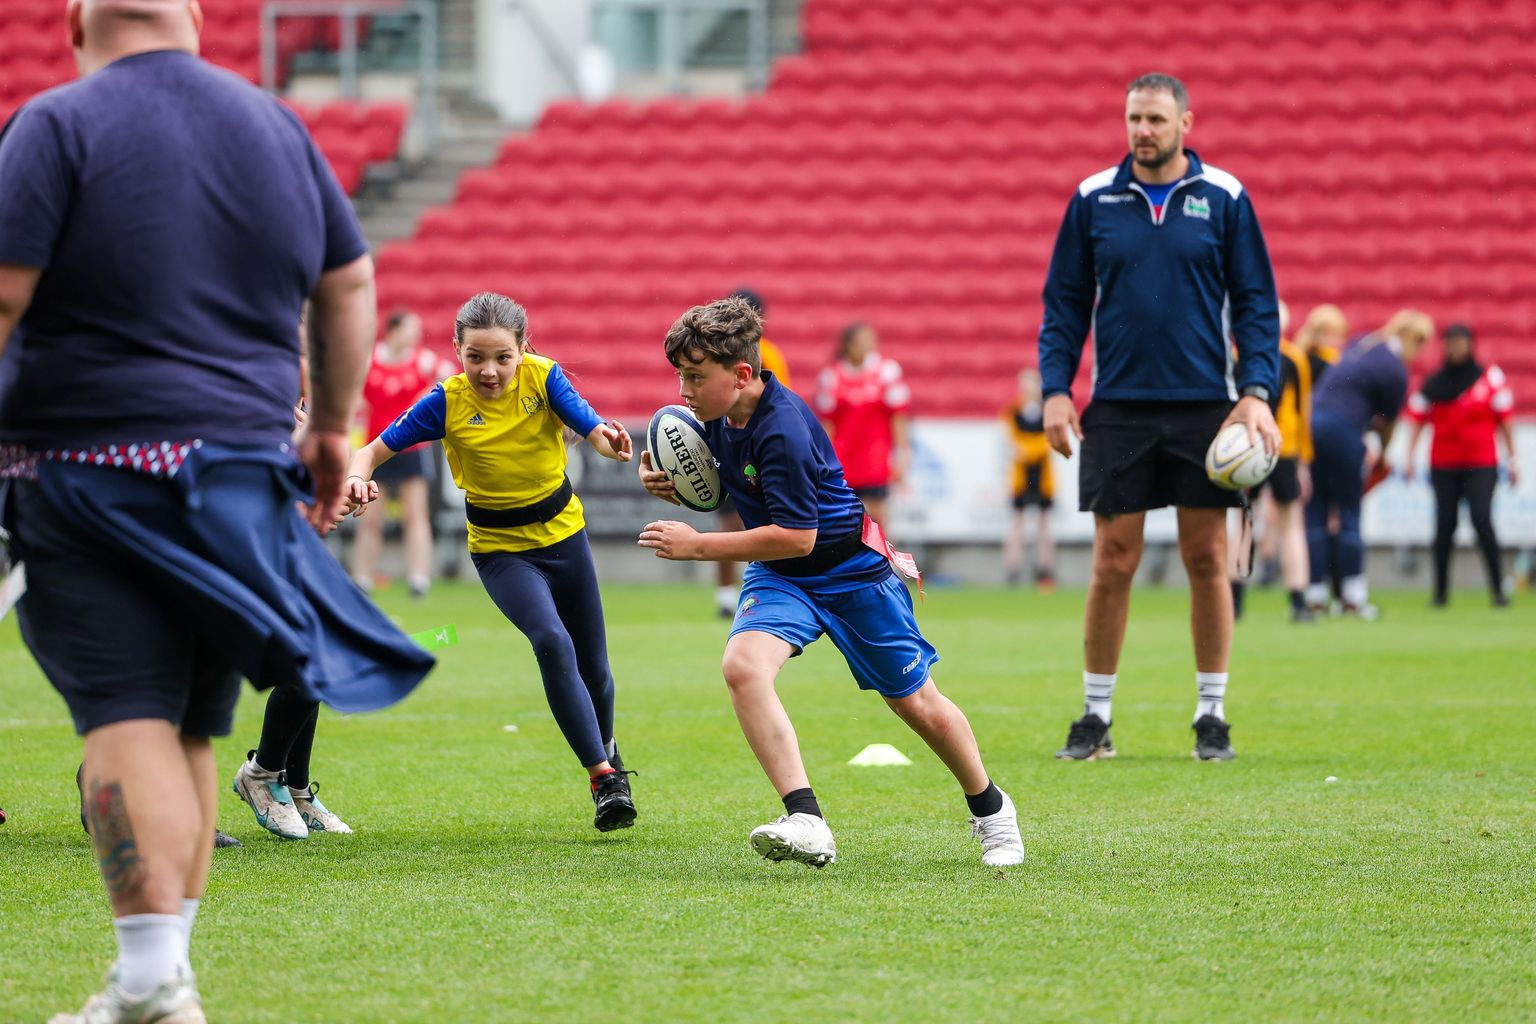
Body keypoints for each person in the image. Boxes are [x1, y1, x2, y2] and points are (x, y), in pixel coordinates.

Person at [0, 3, 434, 1021]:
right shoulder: (274, 126)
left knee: (126, 715)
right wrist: (332, 427)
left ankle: (152, 976)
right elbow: (349, 282)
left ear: (76, 25)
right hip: (240, 475)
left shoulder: (55, 124)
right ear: (196, 20)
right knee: (193, 726)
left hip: (93, 468)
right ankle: (158, 981)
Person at [637, 297, 1024, 869]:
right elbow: (713, 478)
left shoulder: (783, 430)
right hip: (782, 578)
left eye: (695, 377)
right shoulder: (714, 417)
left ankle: (992, 810)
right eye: (680, 376)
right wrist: (664, 477)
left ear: (741, 374)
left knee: (917, 704)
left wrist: (698, 545)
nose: (684, 390)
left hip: (851, 572)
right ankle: (807, 820)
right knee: (743, 667)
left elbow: (798, 536)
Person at [1037, 72, 1281, 763]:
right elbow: (1064, 304)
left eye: (1155, 119)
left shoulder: (1224, 197)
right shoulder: (1094, 198)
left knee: (1207, 557)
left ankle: (1211, 716)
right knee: (1113, 561)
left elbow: (1257, 303)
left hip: (1207, 406)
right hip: (1118, 407)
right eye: (1134, 119)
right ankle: (1095, 716)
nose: (1143, 131)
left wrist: (1257, 389)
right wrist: (1055, 389)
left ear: (1185, 124)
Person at [346, 292, 640, 832]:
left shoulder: (544, 377)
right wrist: (355, 476)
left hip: (565, 539)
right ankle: (603, 778)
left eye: (503, 357)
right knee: (551, 641)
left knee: (596, 668)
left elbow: (592, 427)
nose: (489, 370)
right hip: (501, 551)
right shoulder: (446, 401)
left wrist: (610, 441)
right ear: (456, 350)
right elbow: (370, 451)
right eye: (475, 357)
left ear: (523, 349)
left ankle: (608, 751)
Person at [1305, 310, 1435, 618]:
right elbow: (1387, 424)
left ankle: (1314, 594)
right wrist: (1383, 454)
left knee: (1315, 511)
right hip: (1344, 430)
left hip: (1312, 424)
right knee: (1349, 511)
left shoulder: (1362, 342)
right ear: (1416, 340)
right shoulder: (1394, 370)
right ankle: (1353, 595)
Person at [1404, 323, 1517, 607]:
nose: (1455, 348)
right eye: (1450, 343)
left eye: (1460, 342)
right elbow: (1417, 419)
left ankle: (1497, 590)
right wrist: (1410, 456)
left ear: (1470, 345)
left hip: (1481, 463)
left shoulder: (1489, 378)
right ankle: (1440, 593)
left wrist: (1513, 458)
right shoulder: (1434, 383)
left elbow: (1505, 419)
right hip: (1443, 464)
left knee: (1481, 519)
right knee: (1445, 526)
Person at [350, 308, 453, 598]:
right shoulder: (371, 360)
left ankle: (419, 578)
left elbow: (449, 377)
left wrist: (428, 395)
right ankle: (361, 578)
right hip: (377, 446)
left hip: (413, 447)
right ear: (393, 331)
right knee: (370, 517)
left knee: (415, 515)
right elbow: (354, 393)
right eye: (410, 329)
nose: (416, 335)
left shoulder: (422, 360)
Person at [710, 288, 791, 618]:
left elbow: (779, 399)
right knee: (730, 523)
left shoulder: (767, 355)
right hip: (731, 447)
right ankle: (726, 594)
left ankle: (751, 588)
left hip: (755, 451)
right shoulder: (722, 354)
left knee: (752, 524)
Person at [1235, 301, 1316, 622]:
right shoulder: (1294, 357)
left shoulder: (1239, 357)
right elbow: (1302, 411)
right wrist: (1304, 461)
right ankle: (1298, 601)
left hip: (1246, 448)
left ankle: (1235, 600)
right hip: (1283, 448)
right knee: (1290, 523)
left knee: (1243, 522)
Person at [814, 321, 912, 528]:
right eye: (863, 341)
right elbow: (827, 425)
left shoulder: (886, 373)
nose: (870, 345)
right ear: (848, 345)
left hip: (875, 460)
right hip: (842, 461)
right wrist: (823, 460)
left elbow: (898, 417)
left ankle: (881, 551)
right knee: (843, 520)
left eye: (872, 341)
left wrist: (903, 455)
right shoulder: (831, 377)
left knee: (877, 519)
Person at [1001, 367, 1056, 589]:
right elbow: (1012, 440)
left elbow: (1047, 442)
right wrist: (1030, 448)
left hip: (1042, 476)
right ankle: (1013, 569)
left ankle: (1045, 570)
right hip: (1021, 477)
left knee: (1044, 523)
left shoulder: (1047, 412)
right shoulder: (1013, 411)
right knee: (1018, 522)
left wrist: (1028, 449)